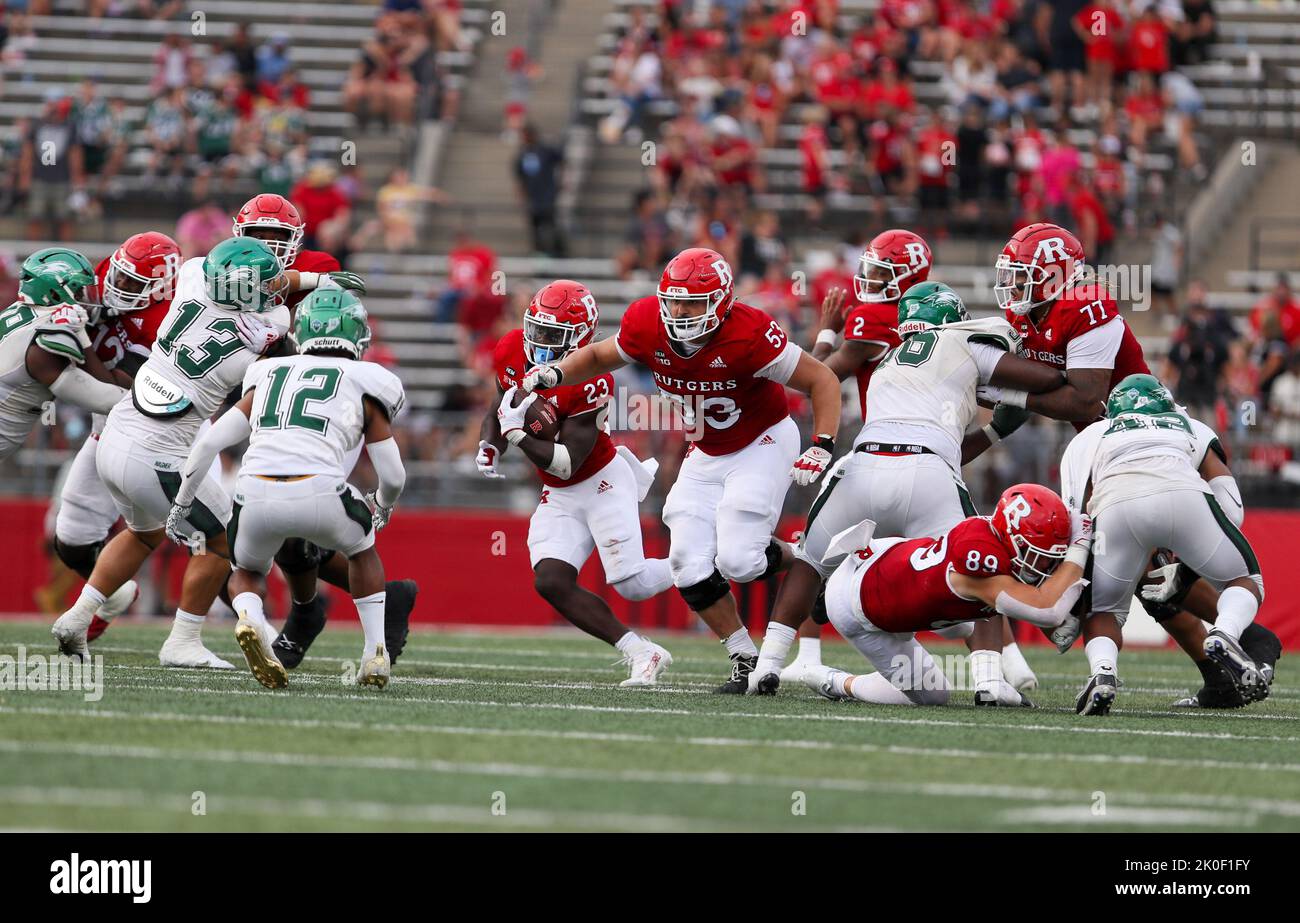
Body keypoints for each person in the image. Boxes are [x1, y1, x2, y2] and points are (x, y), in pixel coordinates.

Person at [520, 248, 843, 692]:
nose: (680, 311)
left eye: (693, 301)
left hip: (762, 440)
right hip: (706, 449)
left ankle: (804, 561)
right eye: (674, 300)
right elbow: (596, 357)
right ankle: (744, 656)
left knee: (739, 560)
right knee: (687, 565)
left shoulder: (750, 331)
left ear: (722, 301)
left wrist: (822, 444)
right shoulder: (647, 321)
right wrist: (557, 373)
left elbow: (820, 379)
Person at [750, 282, 1068, 697]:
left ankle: (768, 664)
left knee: (810, 560)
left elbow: (821, 374)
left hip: (864, 466)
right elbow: (1045, 381)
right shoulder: (963, 343)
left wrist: (991, 425)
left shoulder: (889, 361)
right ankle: (990, 680)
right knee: (982, 559)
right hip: (927, 474)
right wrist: (1062, 368)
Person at [50, 238, 296, 667]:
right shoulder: (251, 349)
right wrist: (278, 327)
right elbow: (280, 353)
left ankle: (76, 617)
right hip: (158, 455)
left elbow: (209, 266)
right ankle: (182, 641)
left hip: (113, 438)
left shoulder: (189, 281)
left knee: (143, 534)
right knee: (222, 541)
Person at [164, 289, 405, 689]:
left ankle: (252, 619)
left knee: (246, 571)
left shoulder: (267, 373)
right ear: (357, 333)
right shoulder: (370, 381)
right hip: (323, 492)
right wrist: (381, 505)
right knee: (362, 551)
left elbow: (208, 443)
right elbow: (393, 475)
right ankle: (374, 652)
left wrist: (182, 504)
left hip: (254, 493)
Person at [477, 280, 675, 686]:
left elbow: (567, 462)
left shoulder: (591, 377)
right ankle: (641, 651)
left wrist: (515, 436)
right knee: (550, 580)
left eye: (553, 334)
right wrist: (490, 443)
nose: (541, 340)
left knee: (633, 584)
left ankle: (699, 560)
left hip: (601, 481)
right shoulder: (511, 348)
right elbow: (498, 407)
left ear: (581, 336)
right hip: (560, 493)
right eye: (538, 328)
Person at [1058, 374, 1266, 715]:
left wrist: (1073, 586)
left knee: (1104, 610)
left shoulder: (1091, 435)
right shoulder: (1191, 425)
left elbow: (1072, 516)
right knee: (1245, 581)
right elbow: (1232, 510)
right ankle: (1225, 633)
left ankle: (1103, 674)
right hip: (1184, 497)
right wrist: (1189, 567)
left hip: (1115, 507)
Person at [803, 484, 1092, 707]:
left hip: (888, 561)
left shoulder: (994, 541)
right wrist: (1080, 548)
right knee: (932, 694)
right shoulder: (982, 568)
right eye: (1039, 556)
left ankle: (990, 682)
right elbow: (1047, 608)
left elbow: (1011, 598)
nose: (1046, 566)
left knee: (982, 608)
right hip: (855, 601)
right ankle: (838, 682)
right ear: (1014, 538)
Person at [0, 248, 127, 463]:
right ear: (57, 292)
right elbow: (111, 400)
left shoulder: (19, 310)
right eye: (79, 292)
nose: (86, 298)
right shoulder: (43, 347)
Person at [514, 124, 565, 257]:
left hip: (547, 195)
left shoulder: (545, 150)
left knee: (551, 224)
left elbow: (562, 160)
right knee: (534, 227)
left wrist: (562, 180)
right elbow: (520, 177)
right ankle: (538, 252)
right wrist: (522, 196)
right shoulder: (522, 154)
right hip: (533, 197)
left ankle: (557, 251)